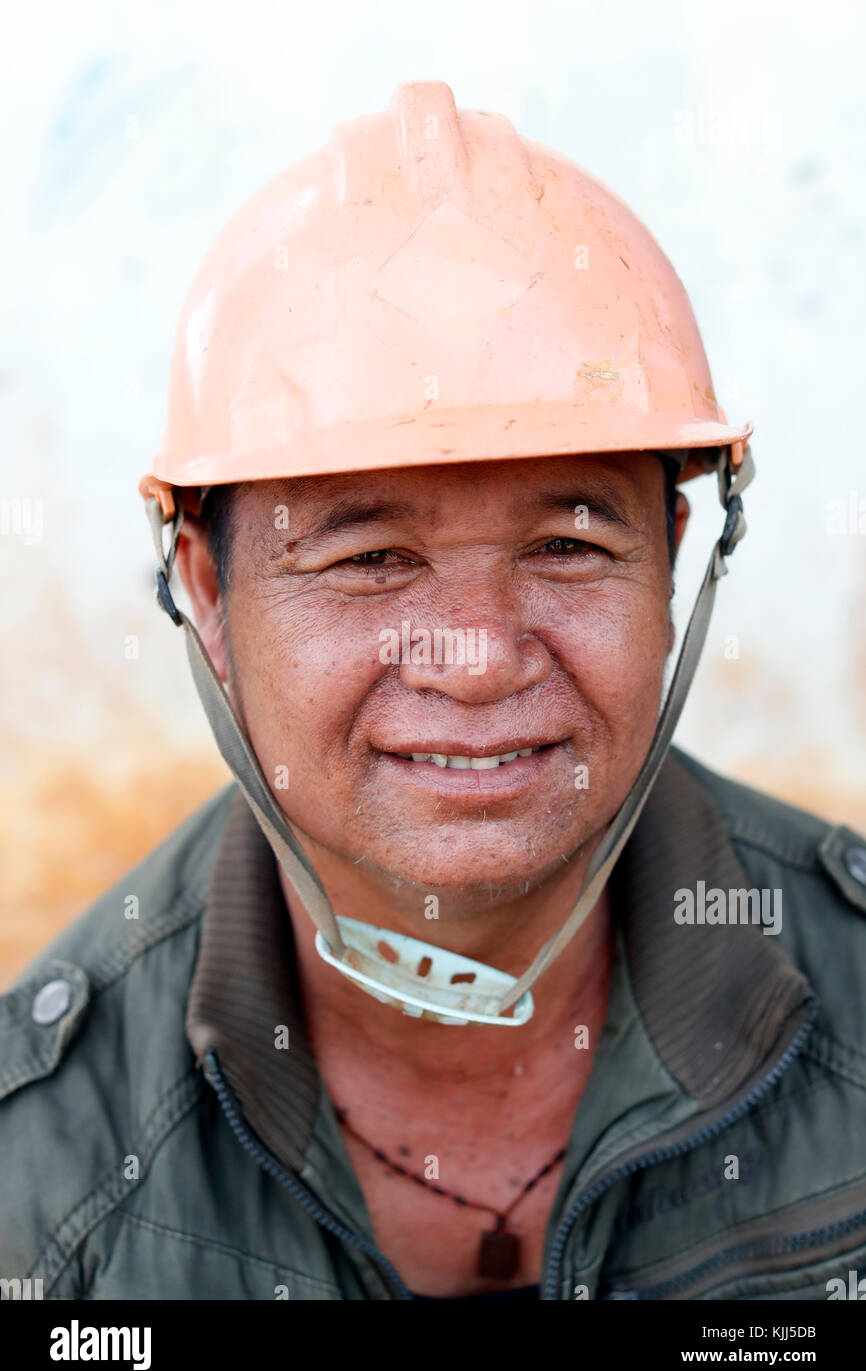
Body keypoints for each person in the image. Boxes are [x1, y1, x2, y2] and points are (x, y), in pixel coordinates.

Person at [2, 80, 866, 1303]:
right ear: (203, 588)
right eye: (367, 560)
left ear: (673, 562)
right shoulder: (40, 1182)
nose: (475, 656)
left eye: (567, 545)